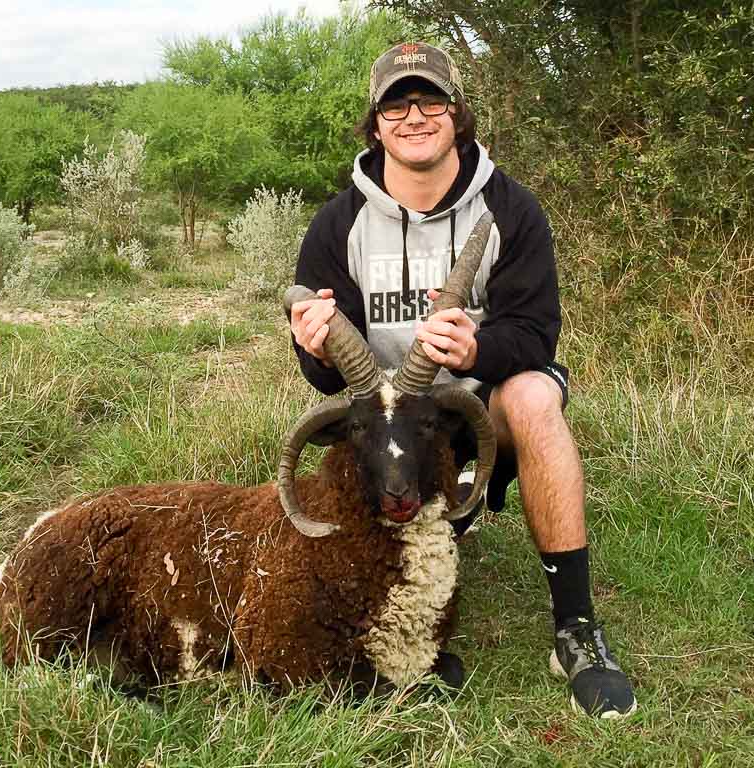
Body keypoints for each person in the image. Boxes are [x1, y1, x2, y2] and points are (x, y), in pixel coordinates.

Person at [287, 41, 637, 718]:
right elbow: (322, 376)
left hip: (479, 414)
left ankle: (576, 629)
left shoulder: (512, 209)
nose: (414, 115)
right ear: (377, 121)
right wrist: (314, 344)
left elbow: (536, 336)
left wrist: (474, 348)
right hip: (391, 426)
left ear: (457, 112)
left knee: (536, 394)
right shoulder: (338, 223)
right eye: (396, 103)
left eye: (429, 100)